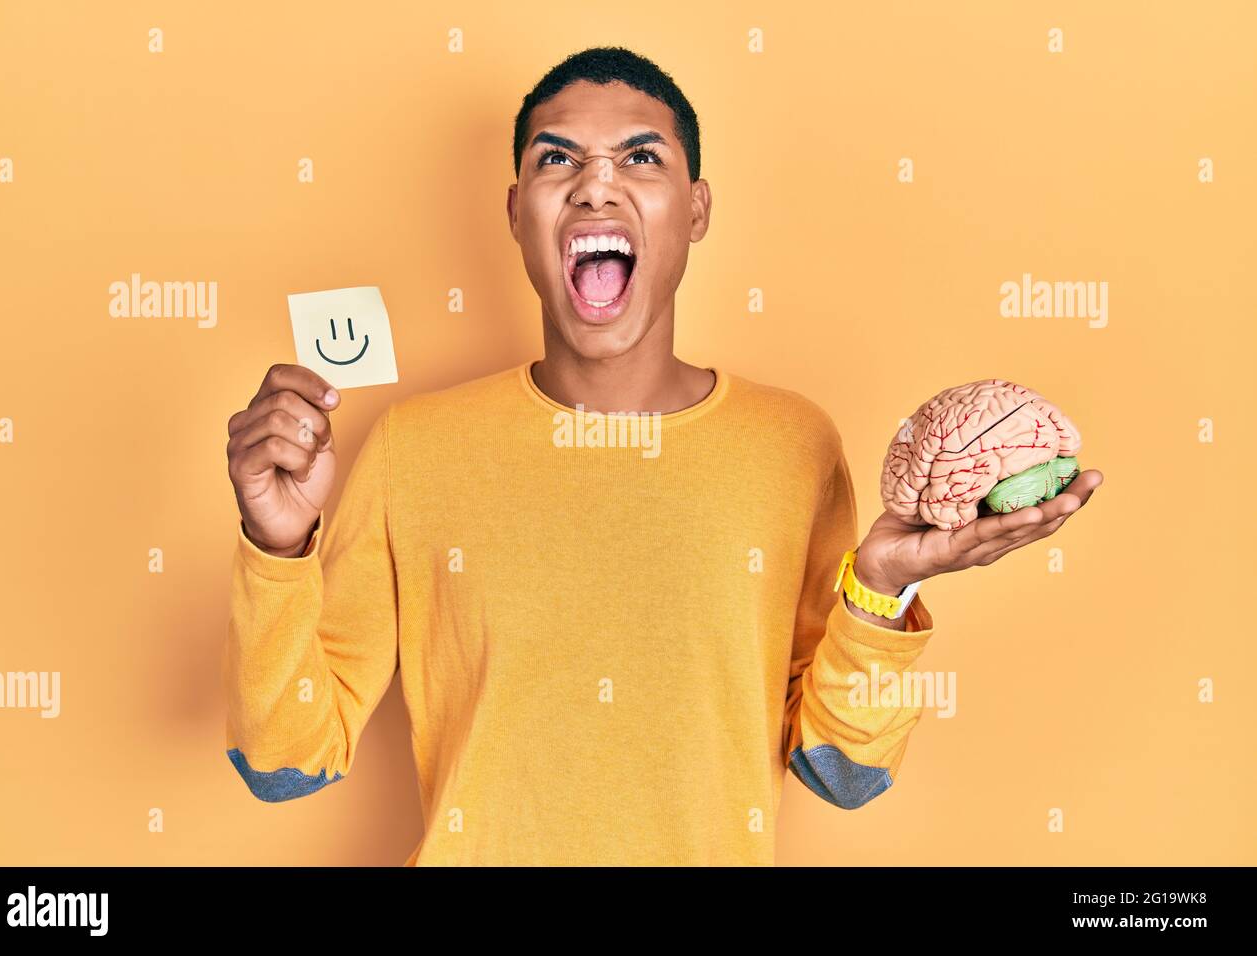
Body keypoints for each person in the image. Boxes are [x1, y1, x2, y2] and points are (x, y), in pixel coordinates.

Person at [222, 46, 1101, 865]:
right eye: (556, 160)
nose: (595, 187)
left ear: (696, 210)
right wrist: (277, 551)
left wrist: (881, 588)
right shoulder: (417, 447)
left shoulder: (792, 444)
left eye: (640, 158)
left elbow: (844, 773)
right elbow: (284, 763)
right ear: (516, 213)